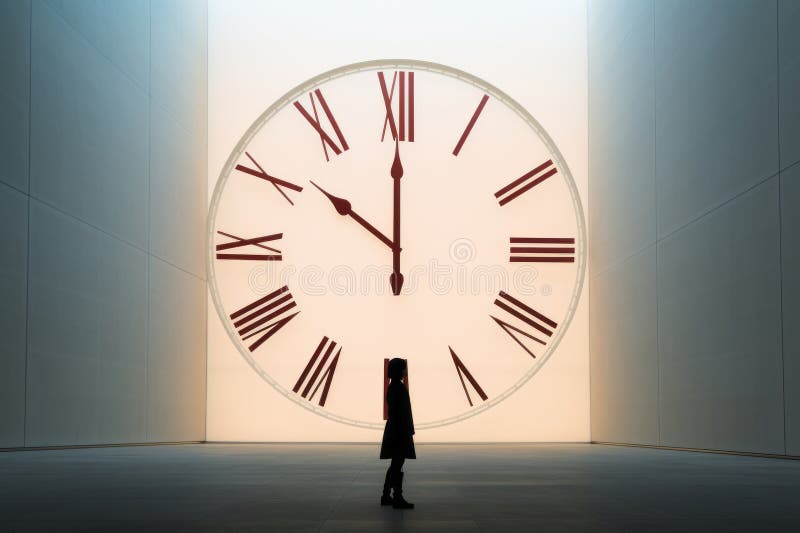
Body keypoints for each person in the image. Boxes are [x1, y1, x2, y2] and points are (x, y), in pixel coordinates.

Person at [379, 358, 415, 509]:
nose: (406, 371)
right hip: (399, 431)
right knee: (398, 463)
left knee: (395, 463)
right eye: (404, 368)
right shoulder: (398, 387)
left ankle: (387, 495)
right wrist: (407, 429)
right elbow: (402, 411)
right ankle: (396, 496)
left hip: (395, 429)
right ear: (399, 370)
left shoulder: (393, 387)